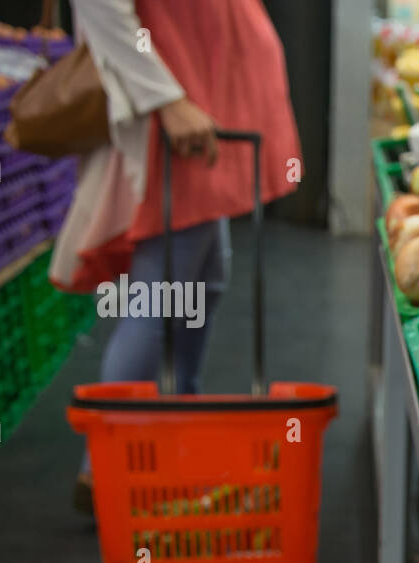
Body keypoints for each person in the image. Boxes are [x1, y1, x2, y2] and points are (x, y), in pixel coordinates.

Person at [50, 0, 301, 513]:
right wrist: (166, 100)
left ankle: (167, 444)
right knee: (160, 296)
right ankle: (108, 467)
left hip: (202, 106)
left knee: (199, 285)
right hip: (181, 112)